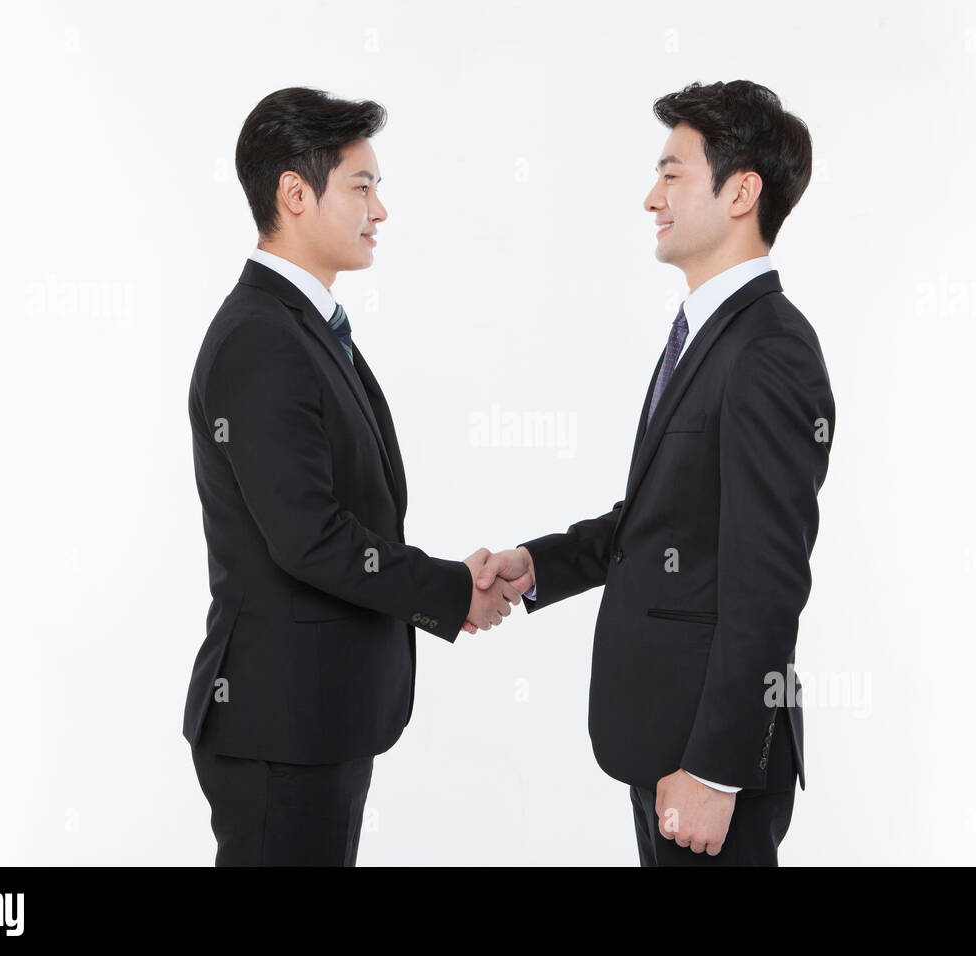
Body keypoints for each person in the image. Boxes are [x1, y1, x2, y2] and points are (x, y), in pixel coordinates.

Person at [475, 80, 834, 866]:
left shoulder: (770, 351)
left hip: (708, 756)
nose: (651, 197)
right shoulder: (709, 333)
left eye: (672, 174)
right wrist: (539, 566)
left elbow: (769, 581)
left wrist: (716, 767)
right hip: (667, 740)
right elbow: (667, 518)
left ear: (742, 192)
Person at [182, 87, 529, 866]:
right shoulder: (262, 340)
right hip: (281, 723)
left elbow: (344, 523)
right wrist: (449, 590)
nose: (380, 211)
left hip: (314, 717)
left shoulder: (301, 327)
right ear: (294, 194)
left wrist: (447, 587)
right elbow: (309, 537)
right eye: (363, 187)